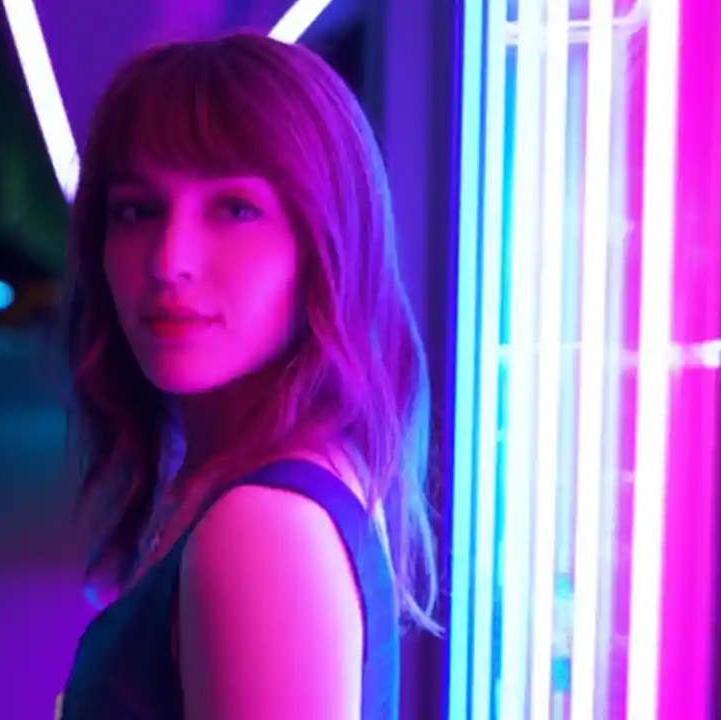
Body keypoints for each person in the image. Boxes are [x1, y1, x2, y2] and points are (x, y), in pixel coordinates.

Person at [55, 31, 438, 720]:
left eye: (235, 209)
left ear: (325, 241)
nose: (169, 261)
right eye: (137, 211)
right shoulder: (264, 474)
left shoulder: (262, 525)